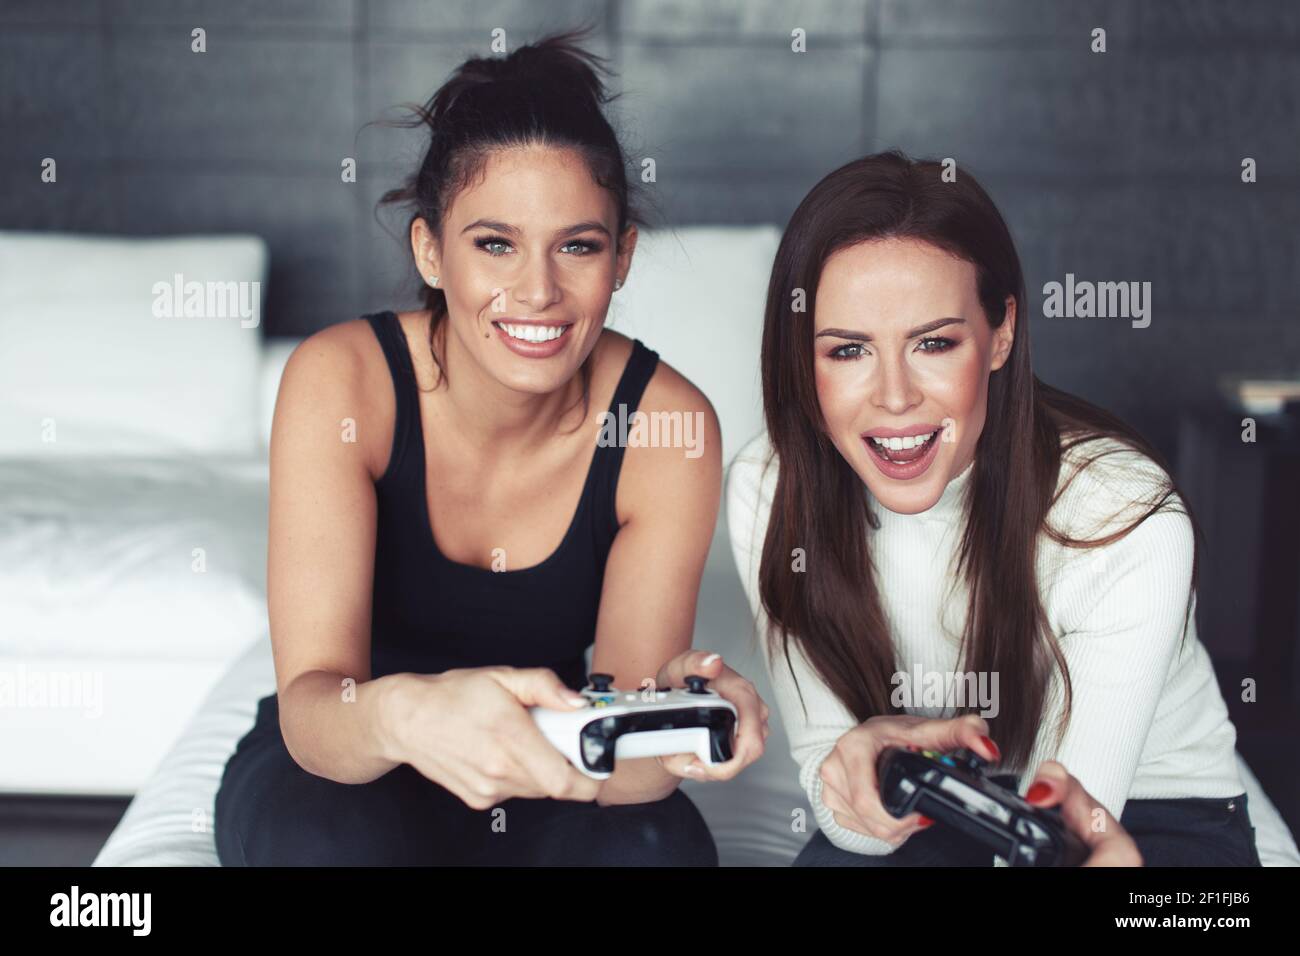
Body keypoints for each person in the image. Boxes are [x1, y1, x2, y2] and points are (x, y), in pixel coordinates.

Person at [215, 31, 768, 867]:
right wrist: (413, 715)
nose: (538, 292)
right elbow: (313, 712)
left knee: (658, 847)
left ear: (621, 258)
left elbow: (624, 759)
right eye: (495, 244)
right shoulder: (342, 382)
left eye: (577, 246)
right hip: (356, 760)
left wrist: (676, 734)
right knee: (325, 847)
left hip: (548, 759)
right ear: (431, 250)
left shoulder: (665, 423)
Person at [726, 150, 1261, 867]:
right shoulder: (768, 487)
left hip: (1148, 822)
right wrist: (862, 780)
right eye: (848, 350)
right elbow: (846, 813)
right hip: (936, 805)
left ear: (1001, 333)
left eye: (935, 343)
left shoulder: (1122, 516)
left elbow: (1062, 830)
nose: (893, 397)